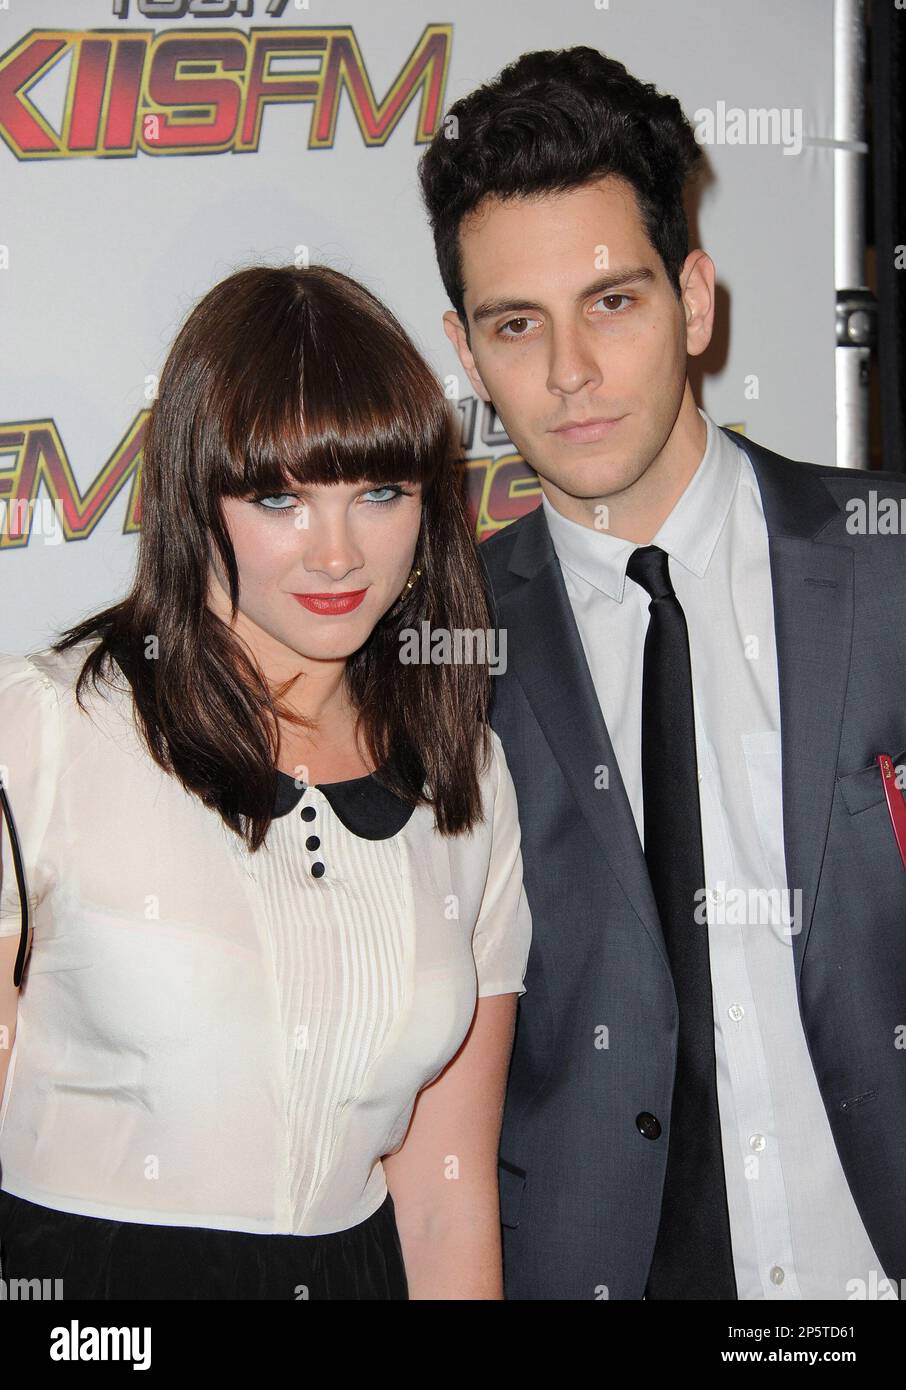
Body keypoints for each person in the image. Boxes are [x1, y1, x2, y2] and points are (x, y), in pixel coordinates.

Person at [418, 45, 906, 1300]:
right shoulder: (431, 649)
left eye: (613, 302)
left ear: (695, 299)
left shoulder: (885, 568)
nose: (568, 371)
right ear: (466, 353)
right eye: (515, 324)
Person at [0, 264, 532, 1301]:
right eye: (279, 494)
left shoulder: (463, 769)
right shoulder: (44, 728)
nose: (338, 552)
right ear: (196, 494)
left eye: (379, 491)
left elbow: (444, 1195)